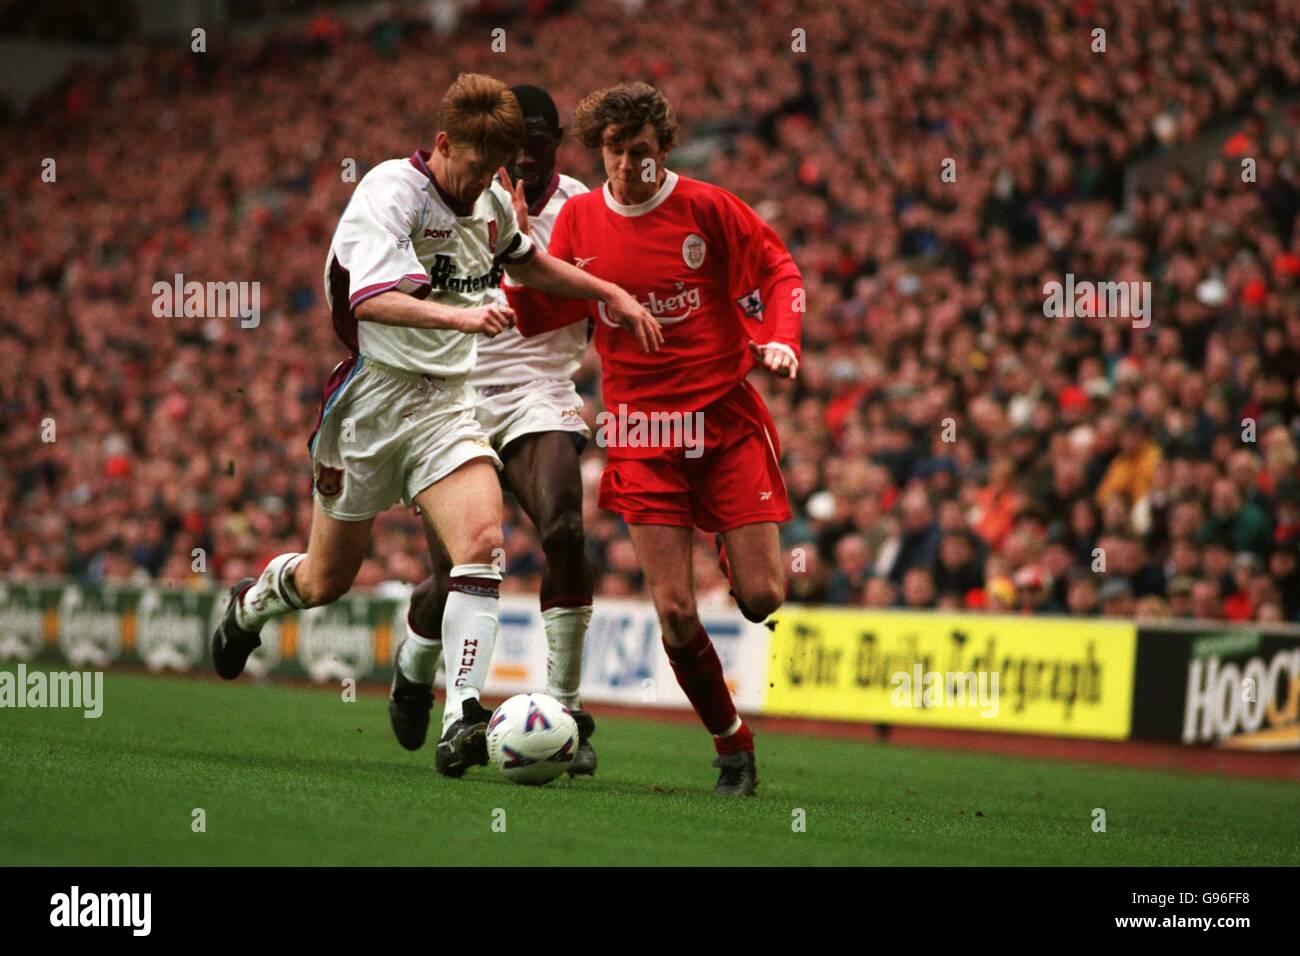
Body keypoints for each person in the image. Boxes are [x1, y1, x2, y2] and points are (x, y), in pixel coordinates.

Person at [210, 74, 658, 781]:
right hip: (372, 405)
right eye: (474, 164)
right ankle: (255, 603)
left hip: (447, 406)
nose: (483, 179)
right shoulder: (391, 193)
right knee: (327, 578)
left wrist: (609, 293)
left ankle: (464, 715)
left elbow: (529, 262)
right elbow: (372, 300)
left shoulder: (486, 202)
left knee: (482, 545)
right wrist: (462, 316)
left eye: (494, 169)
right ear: (443, 142)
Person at [505, 82, 803, 796]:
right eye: (614, 150)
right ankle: (732, 742)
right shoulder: (577, 220)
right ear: (598, 150)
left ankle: (735, 539)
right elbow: (537, 312)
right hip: (641, 434)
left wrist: (781, 339)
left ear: (663, 149)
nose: (628, 165)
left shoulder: (707, 207)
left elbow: (779, 270)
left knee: (763, 597)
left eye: (641, 152)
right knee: (673, 609)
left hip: (722, 422)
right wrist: (510, 250)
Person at [403, 84, 600, 775]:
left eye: (536, 140)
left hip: (538, 390)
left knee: (565, 532)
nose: (521, 154)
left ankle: (568, 710)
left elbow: (584, 294)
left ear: (556, 141)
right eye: (510, 143)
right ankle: (413, 664)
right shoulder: (459, 201)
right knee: (447, 578)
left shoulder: (584, 208)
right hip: (457, 394)